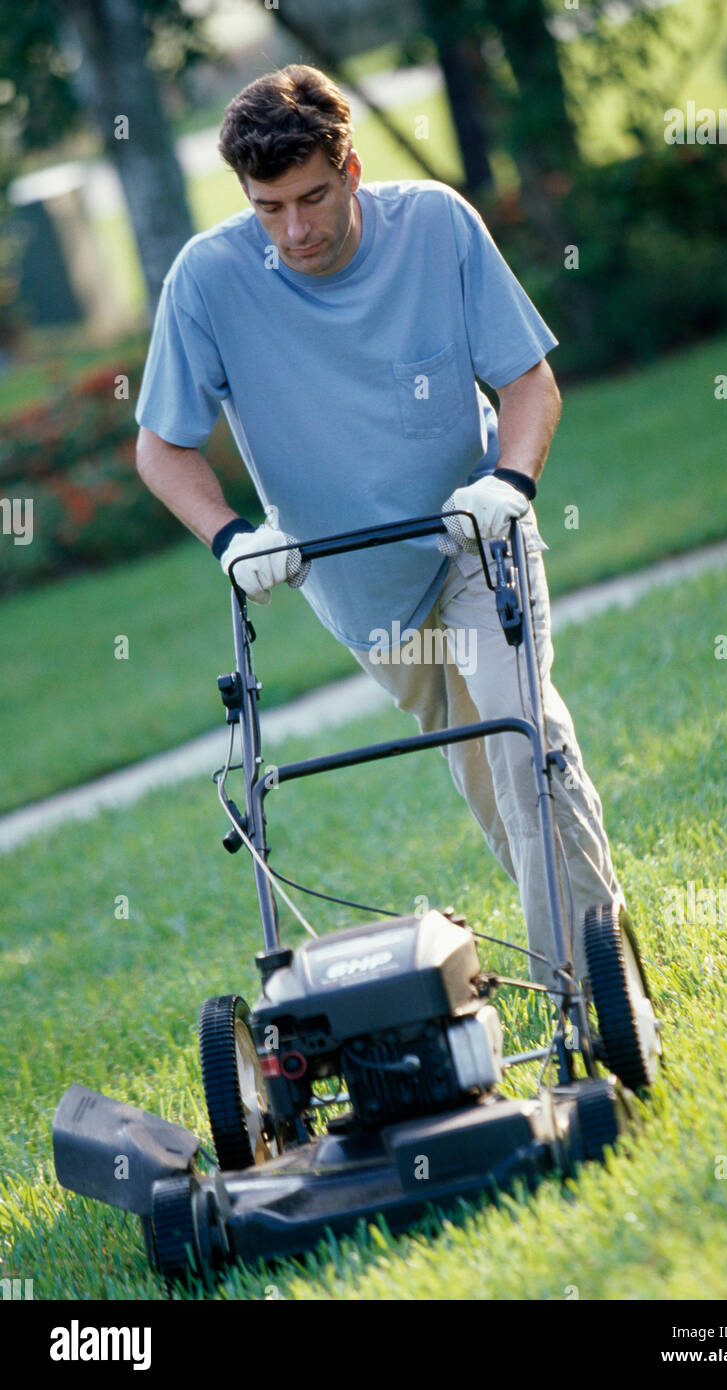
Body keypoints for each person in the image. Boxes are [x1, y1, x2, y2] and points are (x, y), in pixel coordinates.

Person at [134, 63, 625, 988]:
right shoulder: (208, 279)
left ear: (351, 166)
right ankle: (591, 952)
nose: (297, 229)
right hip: (361, 592)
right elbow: (162, 451)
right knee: (488, 783)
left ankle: (592, 989)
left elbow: (528, 382)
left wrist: (508, 483)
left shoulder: (437, 226)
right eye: (269, 207)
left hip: (475, 544)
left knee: (524, 747)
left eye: (313, 197)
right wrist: (235, 539)